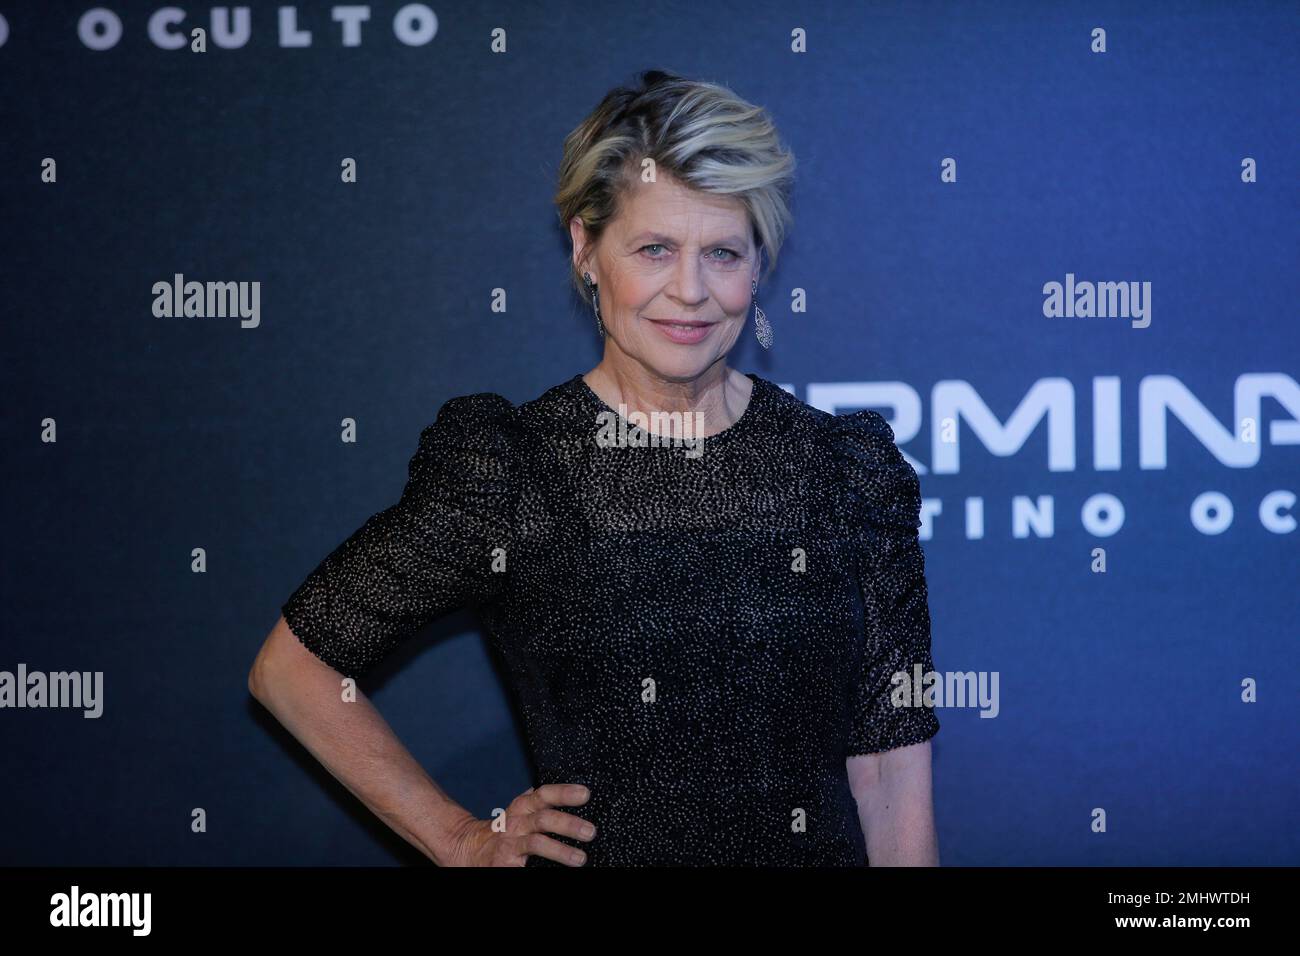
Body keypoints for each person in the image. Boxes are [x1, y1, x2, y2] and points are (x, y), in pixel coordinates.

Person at [248, 68, 940, 867]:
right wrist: (459, 838)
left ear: (760, 265)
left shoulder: (843, 471)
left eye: (722, 252)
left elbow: (889, 762)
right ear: (586, 249)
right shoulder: (516, 471)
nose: (690, 292)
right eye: (654, 249)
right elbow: (292, 670)